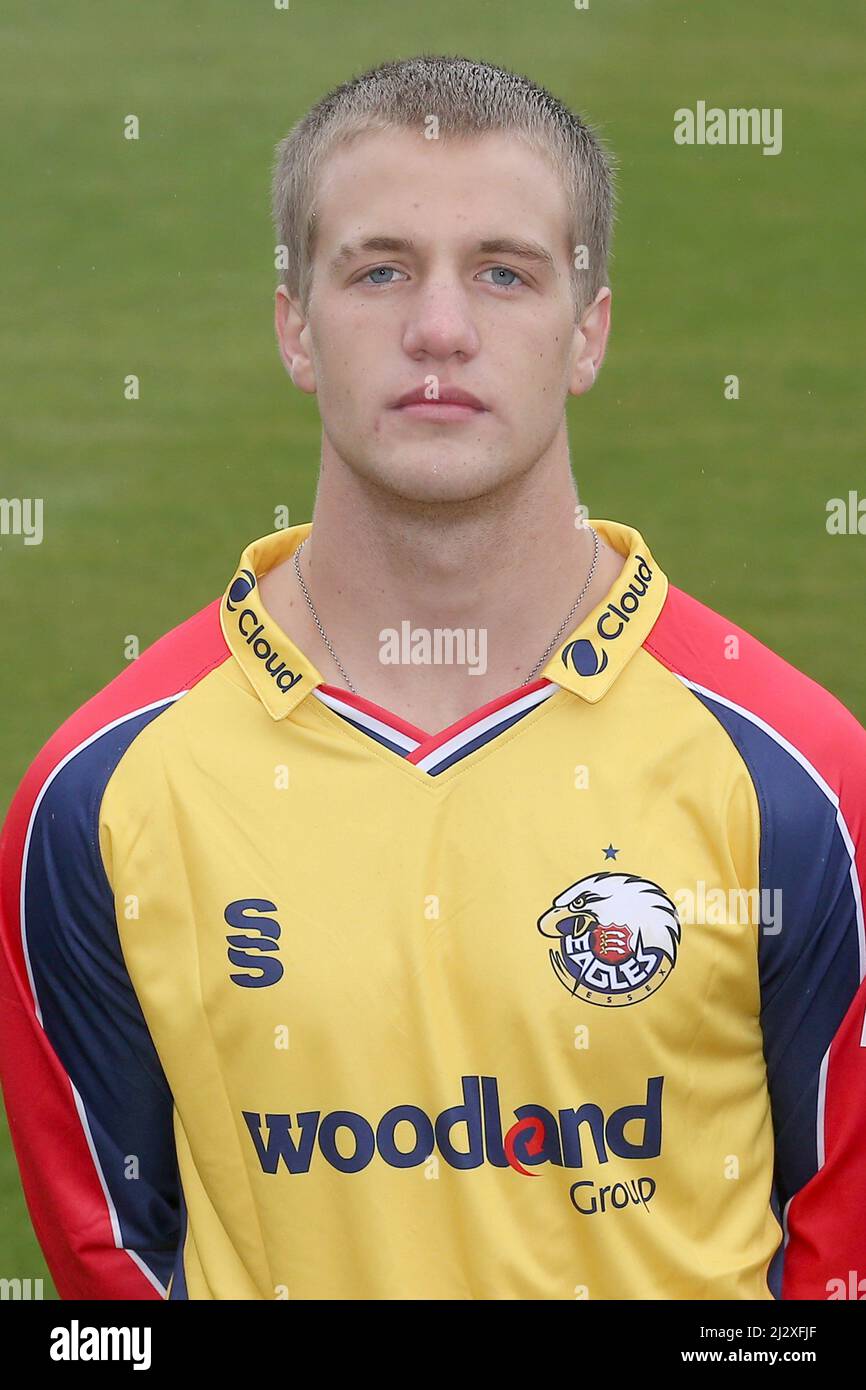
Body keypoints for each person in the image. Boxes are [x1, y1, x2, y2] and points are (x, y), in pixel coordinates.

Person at [1, 54, 864, 1302]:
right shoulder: (100, 798)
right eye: (380, 270)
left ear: (588, 331)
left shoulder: (798, 780)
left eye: (503, 273)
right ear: (295, 325)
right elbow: (114, 1274)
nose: (439, 329)